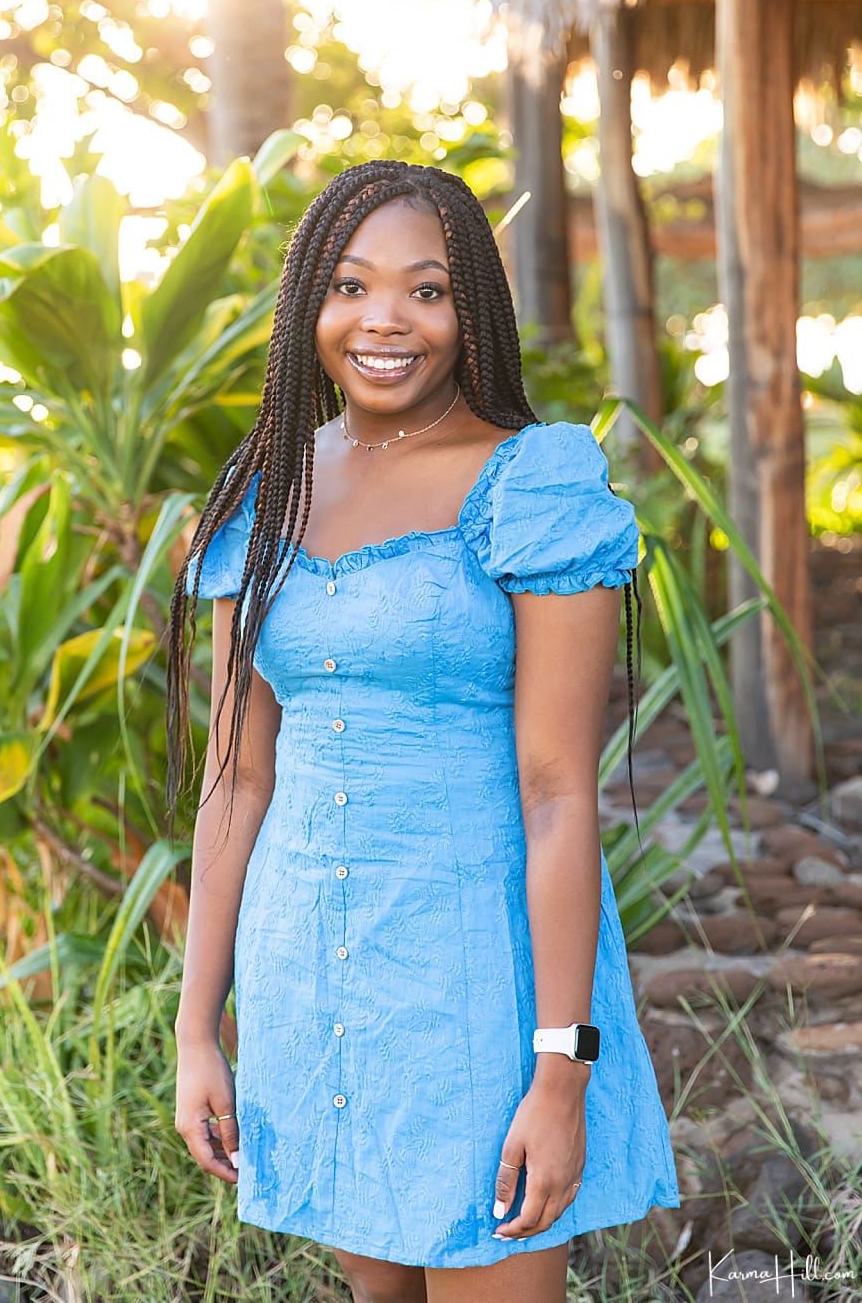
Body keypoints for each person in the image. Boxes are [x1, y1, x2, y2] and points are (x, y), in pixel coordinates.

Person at [167, 160, 680, 1303]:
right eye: (349, 285)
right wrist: (198, 1028)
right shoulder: (266, 492)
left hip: (478, 985)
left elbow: (556, 793)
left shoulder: (530, 487)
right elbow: (235, 784)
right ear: (310, 305)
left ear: (471, 312)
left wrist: (559, 1071)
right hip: (313, 976)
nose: (383, 319)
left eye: (427, 290)